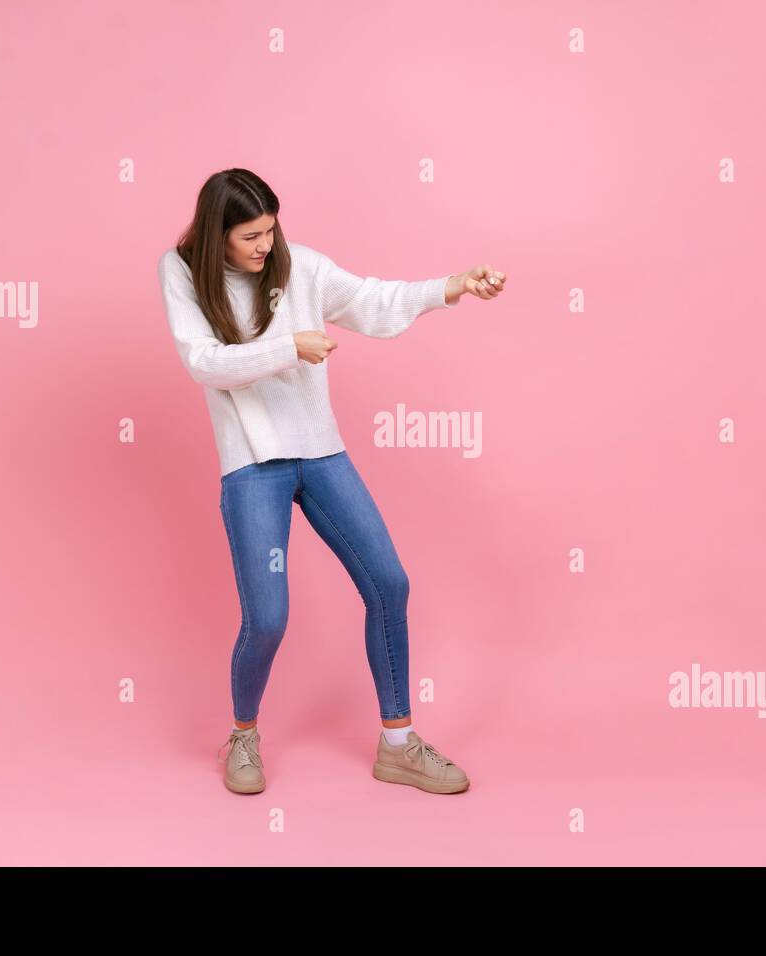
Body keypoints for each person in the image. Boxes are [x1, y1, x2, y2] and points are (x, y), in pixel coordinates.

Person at [157, 168, 506, 795]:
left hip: (320, 453)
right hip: (253, 463)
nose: (264, 246)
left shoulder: (301, 268)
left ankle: (398, 745)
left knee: (390, 584)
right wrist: (291, 346)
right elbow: (203, 362)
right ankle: (242, 735)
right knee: (267, 619)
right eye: (249, 237)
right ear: (217, 236)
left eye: (270, 231)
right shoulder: (182, 273)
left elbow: (372, 301)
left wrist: (453, 287)